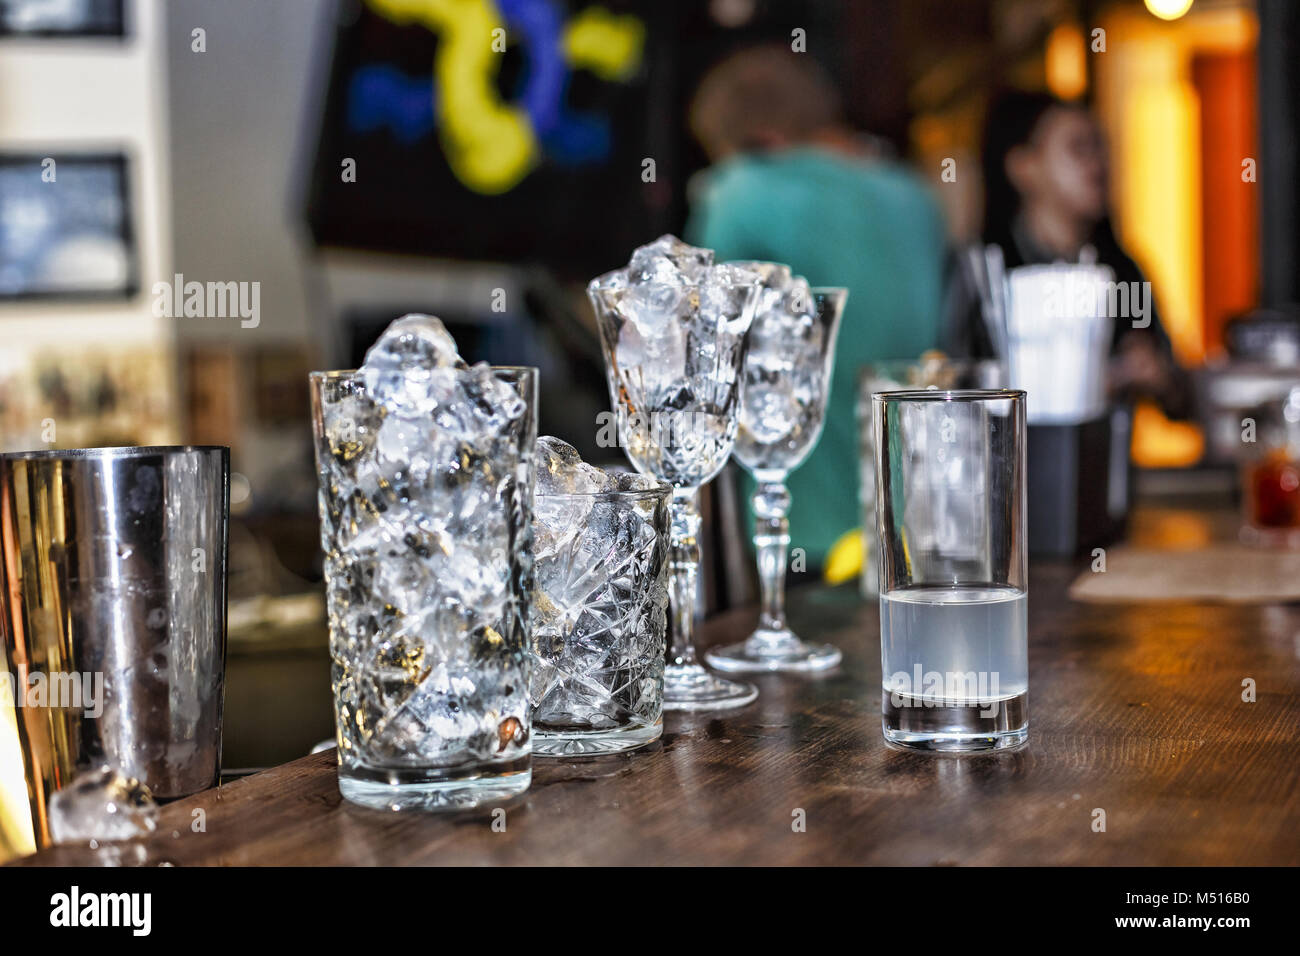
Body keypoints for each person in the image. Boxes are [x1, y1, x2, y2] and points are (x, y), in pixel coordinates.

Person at [685, 45, 949, 569]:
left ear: (759, 139)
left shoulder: (739, 192)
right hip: (911, 527)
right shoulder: (917, 197)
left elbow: (702, 350)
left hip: (798, 534)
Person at [947, 89, 1194, 419]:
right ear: (1023, 167)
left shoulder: (1121, 268)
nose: (1098, 164)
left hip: (1101, 461)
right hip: (1011, 465)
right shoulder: (985, 268)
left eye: (1100, 147)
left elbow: (1183, 401)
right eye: (1078, 148)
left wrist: (1158, 377)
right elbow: (953, 390)